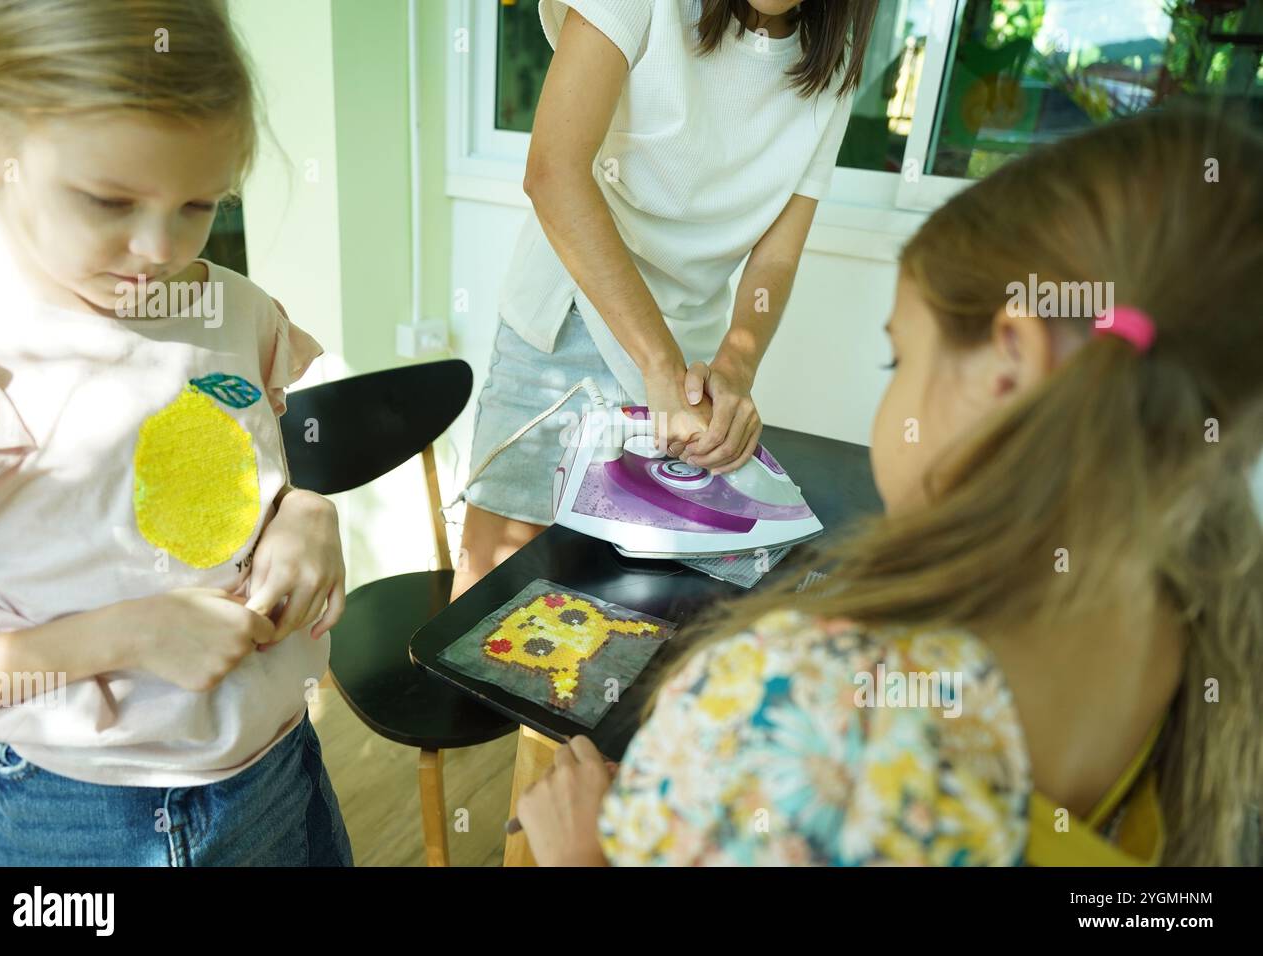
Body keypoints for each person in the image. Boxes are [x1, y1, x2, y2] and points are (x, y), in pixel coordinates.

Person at [516, 107, 1263, 866]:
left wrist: (588, 853)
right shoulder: (1191, 640)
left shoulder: (784, 708)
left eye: (897, 360)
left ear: (1011, 364)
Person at [0, 0, 351, 865]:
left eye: (198, 203)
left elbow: (256, 482)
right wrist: (133, 635)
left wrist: (303, 515)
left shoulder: (230, 307)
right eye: (108, 199)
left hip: (282, 764)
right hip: (85, 817)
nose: (158, 248)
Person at [453, 0, 878, 599]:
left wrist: (734, 368)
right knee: (493, 603)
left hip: (689, 366)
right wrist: (658, 365)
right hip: (570, 326)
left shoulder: (830, 71)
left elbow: (776, 256)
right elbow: (553, 171)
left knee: (629, 609)